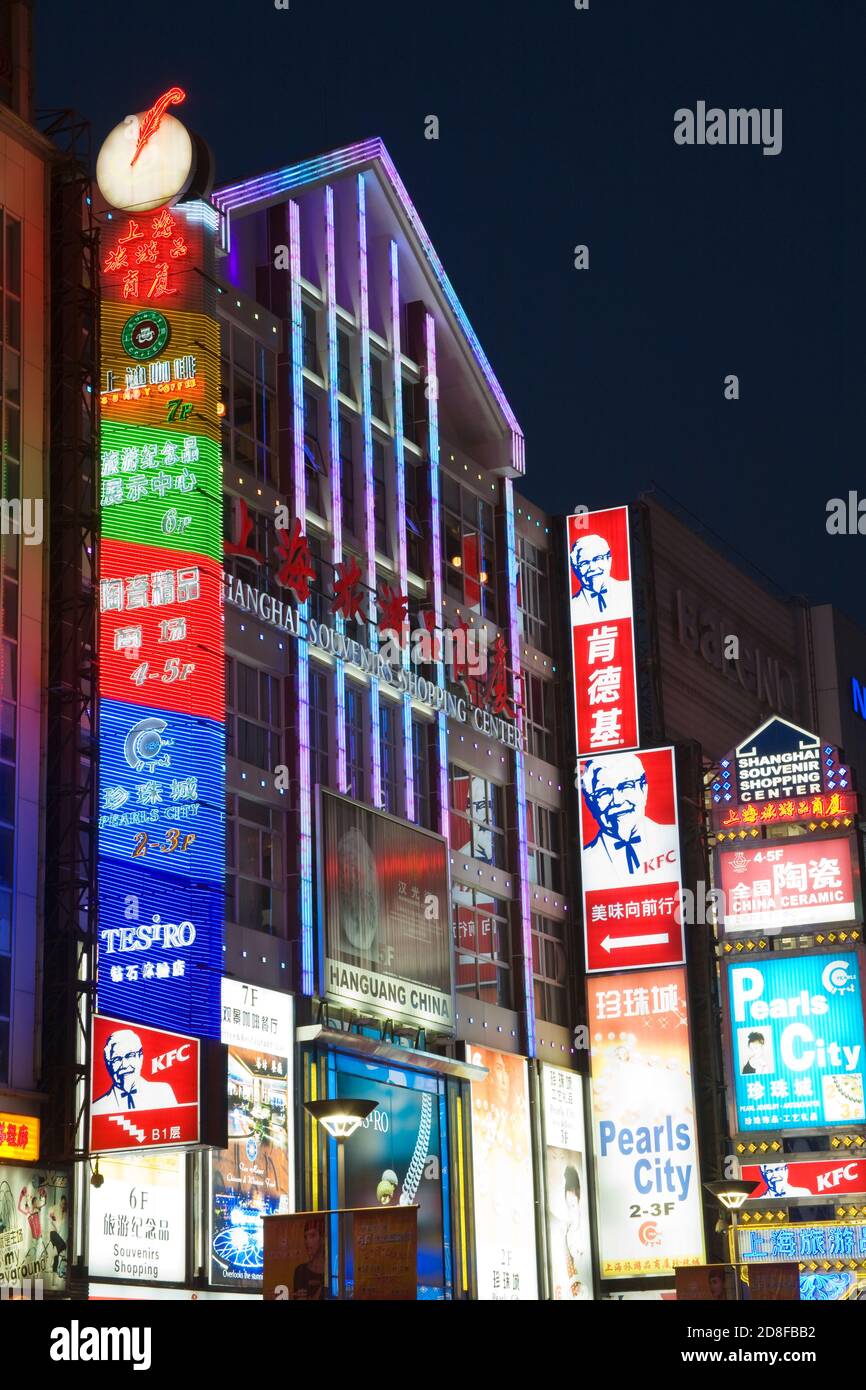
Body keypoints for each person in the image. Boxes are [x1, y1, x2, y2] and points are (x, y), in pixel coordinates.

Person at [580, 753, 677, 890]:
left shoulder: (674, 839)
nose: (617, 801)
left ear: (644, 788)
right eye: (603, 793)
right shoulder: (584, 861)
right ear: (590, 803)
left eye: (626, 786)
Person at [91, 1028, 178, 1114]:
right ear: (108, 1065)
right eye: (117, 1059)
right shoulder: (98, 1107)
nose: (124, 1065)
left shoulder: (162, 1093)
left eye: (130, 1055)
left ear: (140, 1058)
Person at [569, 532, 631, 625]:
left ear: (609, 560)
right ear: (575, 569)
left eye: (597, 559)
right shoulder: (572, 606)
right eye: (584, 563)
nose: (592, 567)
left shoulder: (629, 591)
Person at [563, 1165, 586, 1298]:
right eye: (568, 1206)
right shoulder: (568, 1235)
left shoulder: (585, 1235)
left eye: (573, 1205)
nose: (571, 1212)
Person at [292, 1218, 326, 1300]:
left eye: (312, 1236)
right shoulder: (300, 1271)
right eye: (305, 1237)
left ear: (323, 1238)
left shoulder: (333, 1271)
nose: (307, 1241)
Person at [48, 1194, 68, 1276]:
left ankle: (54, 1268)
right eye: (62, 1203)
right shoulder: (55, 1208)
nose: (63, 1205)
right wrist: (53, 1222)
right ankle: (56, 1267)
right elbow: (50, 1217)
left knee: (58, 1251)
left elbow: (62, 1225)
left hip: (59, 1234)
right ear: (60, 1201)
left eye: (64, 1204)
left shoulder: (64, 1212)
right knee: (62, 1247)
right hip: (53, 1232)